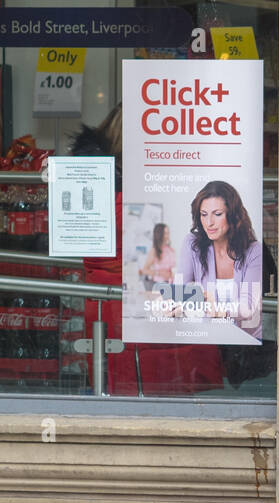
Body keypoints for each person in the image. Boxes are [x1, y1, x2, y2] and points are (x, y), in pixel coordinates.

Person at [68, 105, 225, 395]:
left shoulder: (91, 189)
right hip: (152, 314)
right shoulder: (150, 194)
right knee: (165, 403)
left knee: (124, 400)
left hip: (111, 313)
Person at [177, 180, 263, 340]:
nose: (209, 222)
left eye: (217, 214)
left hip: (246, 343)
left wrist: (216, 309)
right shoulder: (192, 243)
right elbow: (179, 291)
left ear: (233, 215)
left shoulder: (254, 250)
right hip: (206, 339)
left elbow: (248, 307)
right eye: (204, 214)